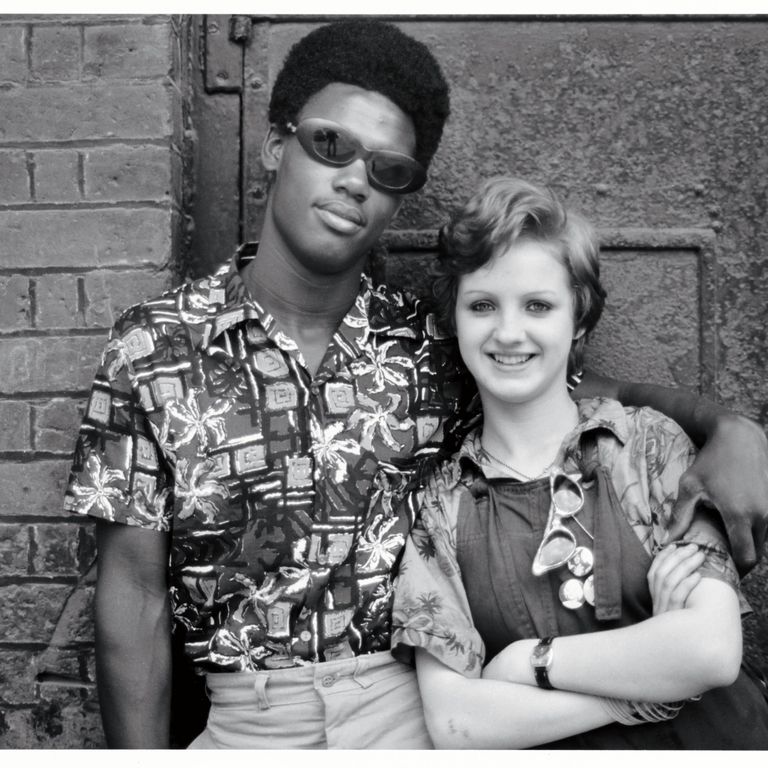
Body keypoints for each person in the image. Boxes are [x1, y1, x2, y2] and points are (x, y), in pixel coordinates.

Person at [63, 20, 768, 749]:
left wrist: (729, 429)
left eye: (389, 169)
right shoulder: (154, 349)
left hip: (410, 719)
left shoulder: (429, 345)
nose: (354, 180)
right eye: (330, 145)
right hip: (248, 725)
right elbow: (135, 598)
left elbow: (578, 392)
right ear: (278, 144)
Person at [390, 176, 768, 749]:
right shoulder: (441, 506)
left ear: (580, 320)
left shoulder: (648, 446)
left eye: (538, 305)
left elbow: (711, 652)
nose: (508, 331)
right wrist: (648, 686)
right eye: (483, 305)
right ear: (456, 318)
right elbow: (459, 725)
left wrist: (530, 662)